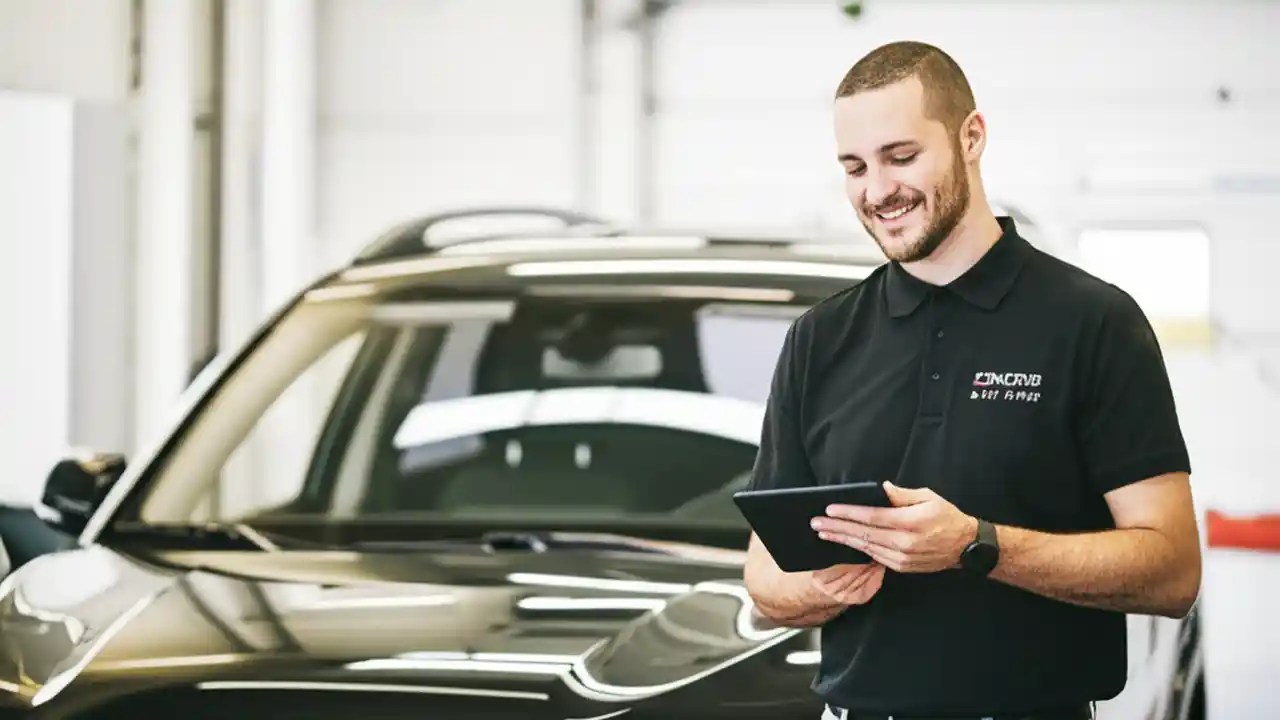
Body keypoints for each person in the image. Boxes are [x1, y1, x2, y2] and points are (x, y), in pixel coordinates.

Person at [742, 40, 1202, 720]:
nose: (877, 191)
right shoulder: (820, 338)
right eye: (855, 167)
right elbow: (762, 577)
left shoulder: (1093, 322)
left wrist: (976, 545)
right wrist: (823, 587)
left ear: (972, 137)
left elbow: (1173, 571)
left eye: (902, 157)